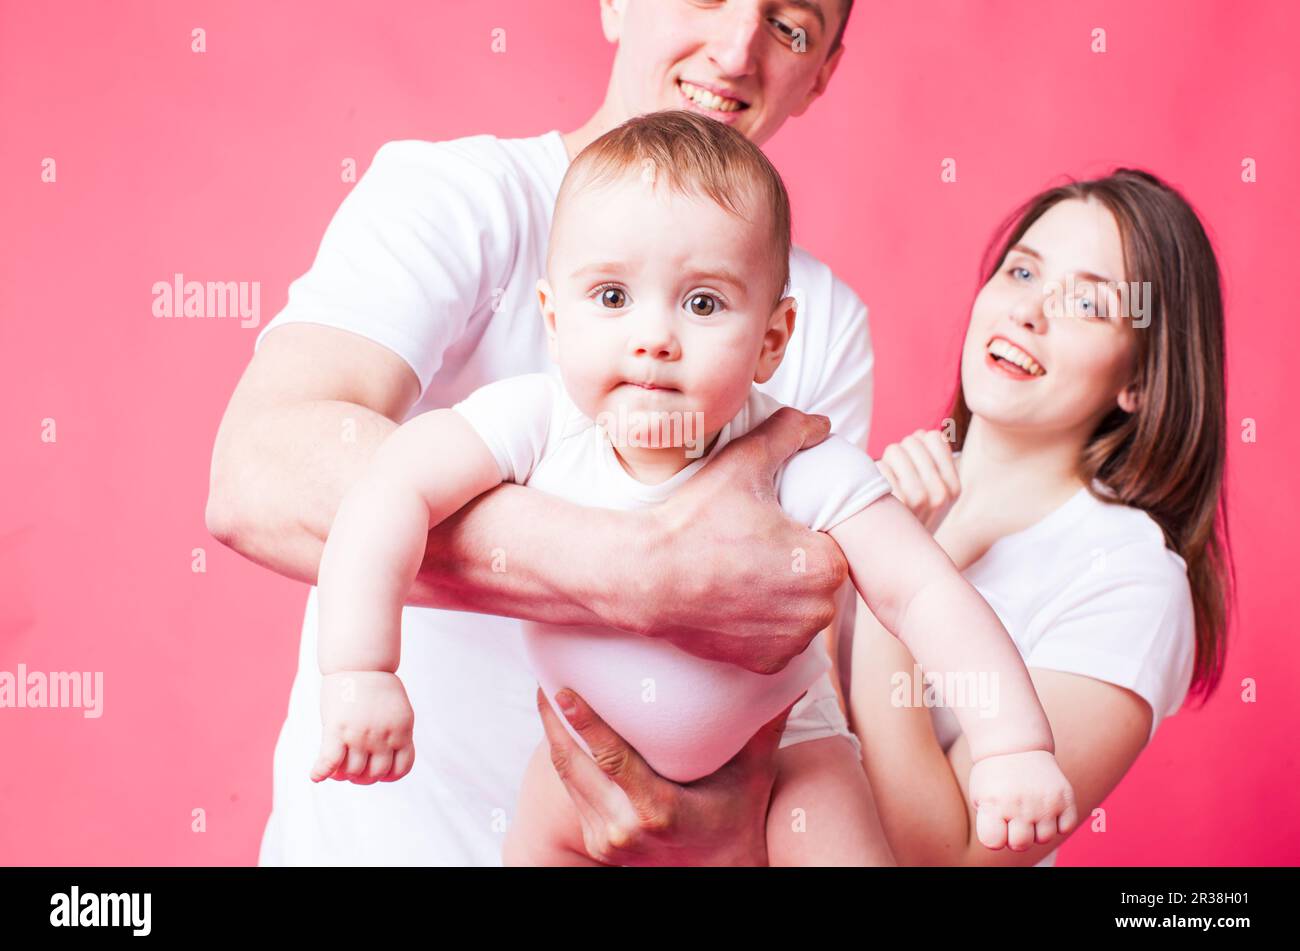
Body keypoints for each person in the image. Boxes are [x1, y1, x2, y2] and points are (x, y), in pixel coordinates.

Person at [306, 111, 1078, 866]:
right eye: (611, 297)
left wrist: (1012, 744)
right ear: (552, 318)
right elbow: (389, 493)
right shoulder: (533, 423)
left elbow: (923, 593)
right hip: (577, 757)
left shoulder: (799, 459)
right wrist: (361, 669)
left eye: (702, 303)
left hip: (786, 759)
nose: (653, 337)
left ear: (773, 340)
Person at [205, 0, 872, 865]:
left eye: (790, 25)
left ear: (822, 73)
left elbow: (799, 641)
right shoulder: (459, 200)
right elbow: (260, 471)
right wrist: (640, 571)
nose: (738, 48)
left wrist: (737, 832)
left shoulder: (822, 322)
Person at [847, 169, 1233, 865]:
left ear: (1140, 381)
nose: (1029, 312)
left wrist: (894, 590)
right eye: (1022, 272)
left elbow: (949, 859)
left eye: (1088, 303)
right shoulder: (883, 479)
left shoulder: (1131, 579)